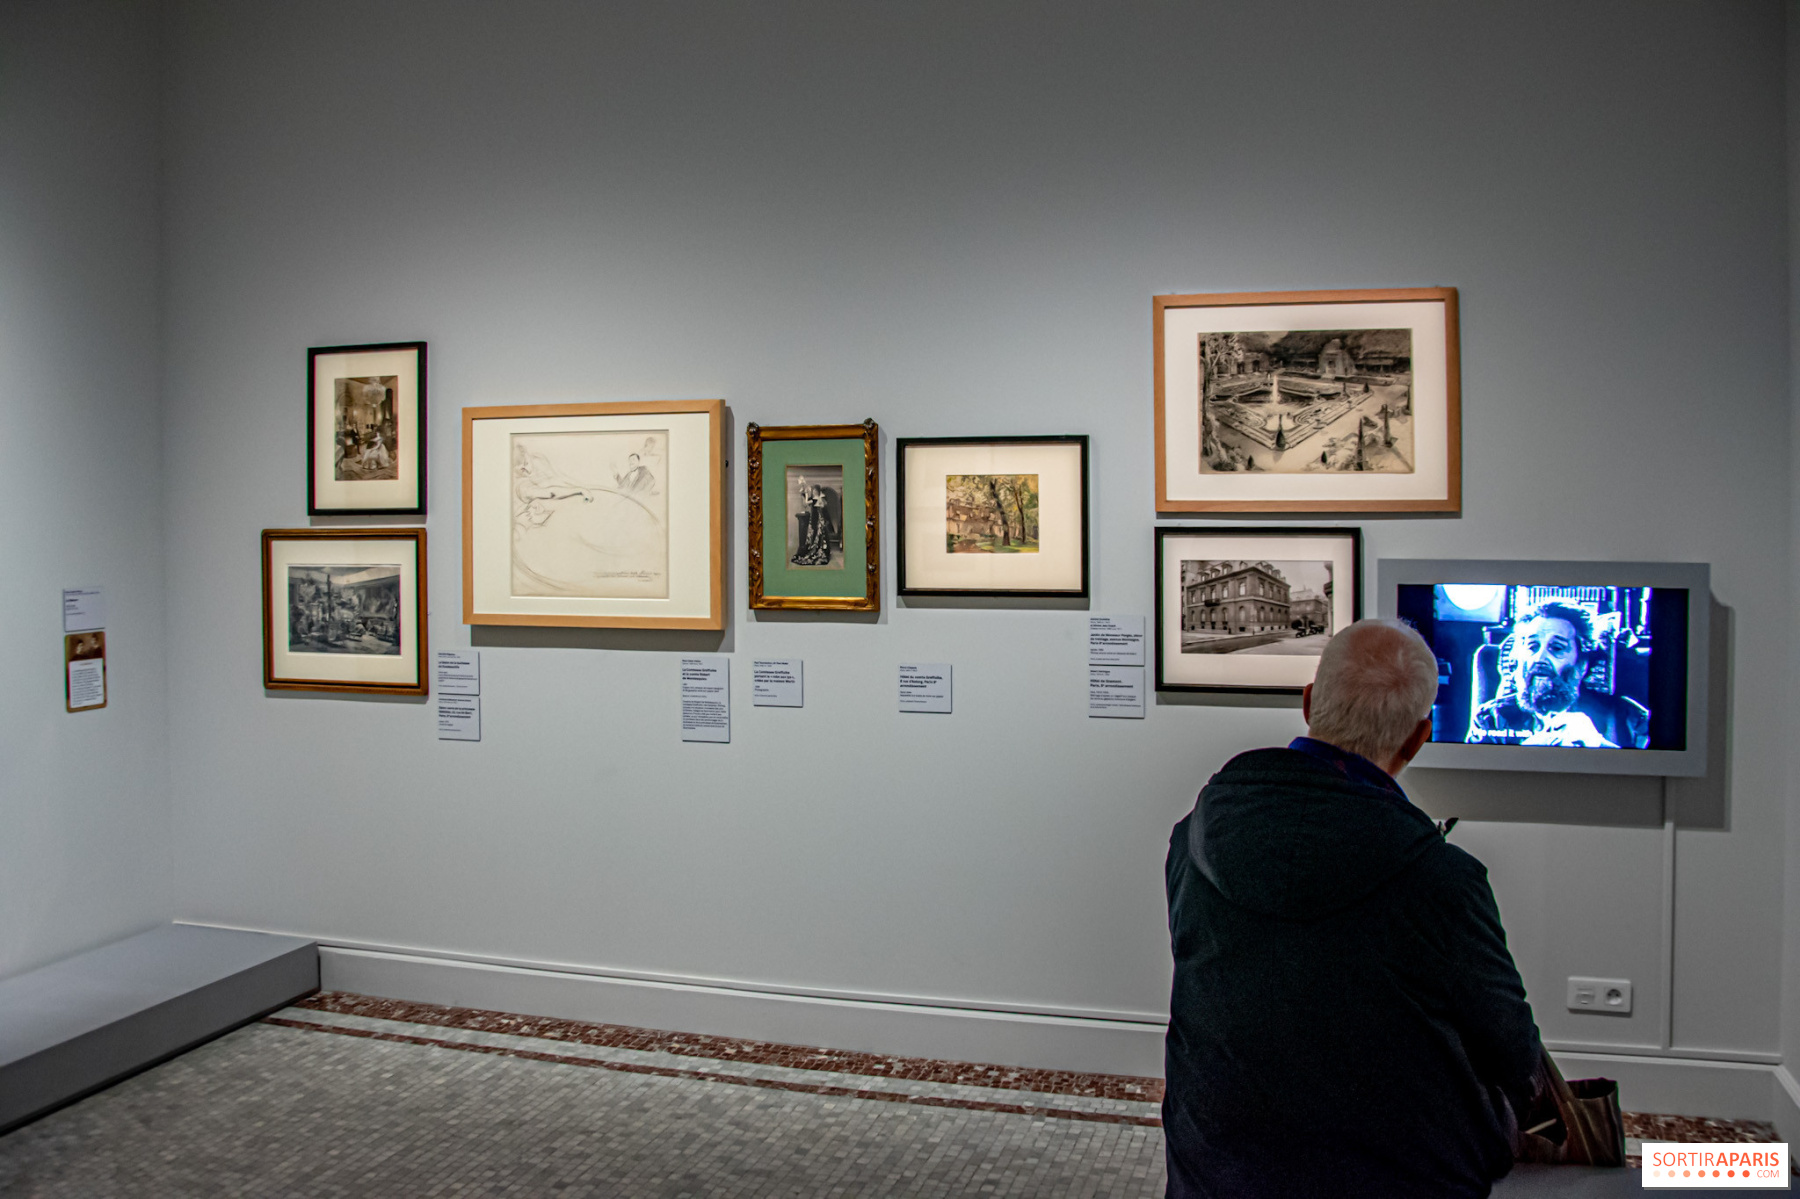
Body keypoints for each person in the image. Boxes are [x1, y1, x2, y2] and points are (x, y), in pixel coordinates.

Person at [1164, 619, 1542, 1198]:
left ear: (1310, 703)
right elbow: (1513, 1053)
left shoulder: (1195, 838)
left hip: (1217, 1172)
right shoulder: (1443, 881)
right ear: (1419, 737)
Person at [1469, 602, 1649, 748]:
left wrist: (1598, 745)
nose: (1539, 659)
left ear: (1582, 665)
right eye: (1532, 647)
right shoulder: (1490, 718)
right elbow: (1473, 782)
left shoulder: (1631, 720)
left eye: (1556, 648)